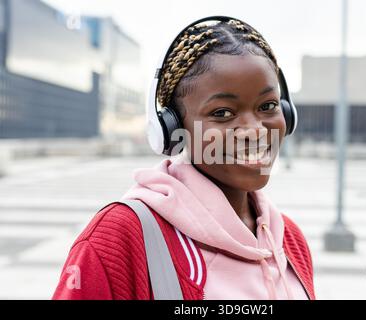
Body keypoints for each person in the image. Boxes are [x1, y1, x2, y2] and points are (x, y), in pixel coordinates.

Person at [52, 16, 315, 300]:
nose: (254, 130)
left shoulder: (290, 239)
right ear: (172, 128)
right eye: (222, 113)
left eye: (268, 106)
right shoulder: (119, 238)